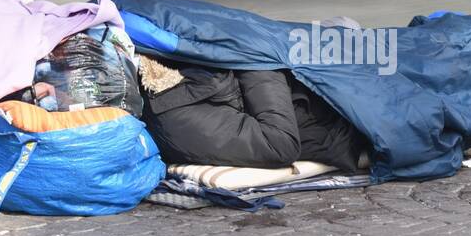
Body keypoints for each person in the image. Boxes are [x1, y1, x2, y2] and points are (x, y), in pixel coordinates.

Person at [138, 55, 368, 173]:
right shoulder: (174, 119)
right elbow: (278, 144)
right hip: (343, 115)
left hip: (327, 78)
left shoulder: (163, 63)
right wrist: (256, 60)